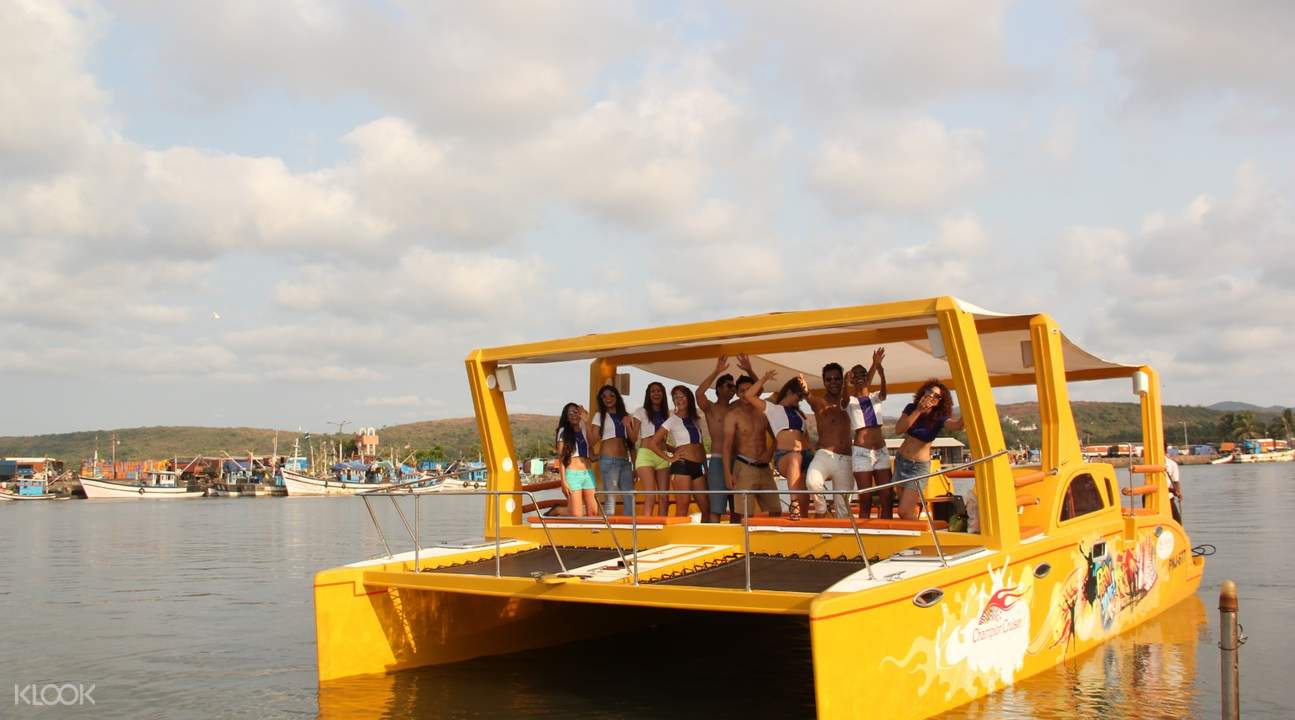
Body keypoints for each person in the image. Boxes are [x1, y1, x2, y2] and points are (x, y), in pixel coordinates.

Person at [744, 369, 814, 519]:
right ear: (789, 392)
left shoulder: (800, 414)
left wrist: (815, 455)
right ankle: (793, 504)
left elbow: (806, 439)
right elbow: (749, 395)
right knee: (795, 459)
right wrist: (764, 378)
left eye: (802, 396)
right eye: (798, 396)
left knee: (805, 495)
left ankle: (804, 522)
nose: (800, 400)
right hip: (785, 456)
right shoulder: (773, 409)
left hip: (804, 454)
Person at [892, 380, 964, 520]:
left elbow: (957, 426)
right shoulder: (911, 408)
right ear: (923, 392)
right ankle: (914, 535)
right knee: (906, 511)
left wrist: (968, 407)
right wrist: (918, 410)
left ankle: (922, 533)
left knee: (903, 511)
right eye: (929, 392)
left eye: (936, 396)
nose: (932, 397)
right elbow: (898, 429)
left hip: (918, 467)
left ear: (940, 402)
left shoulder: (939, 418)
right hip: (901, 462)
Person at [722, 373, 780, 520]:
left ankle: (771, 542)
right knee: (745, 514)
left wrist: (769, 453)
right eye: (742, 390)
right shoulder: (733, 415)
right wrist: (727, 474)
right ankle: (746, 542)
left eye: (749, 389)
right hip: (744, 466)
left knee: (775, 510)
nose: (746, 394)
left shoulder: (763, 412)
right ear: (737, 393)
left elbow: (778, 437)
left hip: (764, 467)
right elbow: (727, 446)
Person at [645, 386, 708, 518]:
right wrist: (670, 459)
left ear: (689, 398)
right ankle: (677, 537)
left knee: (706, 506)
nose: (678, 399)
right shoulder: (672, 420)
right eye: (675, 397)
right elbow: (652, 443)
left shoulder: (695, 419)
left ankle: (702, 537)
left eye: (681, 396)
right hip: (682, 466)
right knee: (682, 506)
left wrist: (705, 468)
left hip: (698, 467)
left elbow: (700, 445)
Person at [804, 362, 854, 518]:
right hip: (824, 455)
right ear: (824, 381)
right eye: (829, 379)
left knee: (843, 510)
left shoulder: (851, 402)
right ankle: (821, 510)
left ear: (842, 380)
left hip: (845, 458)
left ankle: (843, 541)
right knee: (812, 482)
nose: (833, 382)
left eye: (837, 379)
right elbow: (806, 394)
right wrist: (804, 387)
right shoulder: (819, 402)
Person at [848, 348, 891, 518]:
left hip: (881, 451)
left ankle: (888, 533)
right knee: (865, 497)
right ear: (851, 379)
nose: (860, 376)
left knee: (887, 496)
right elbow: (847, 396)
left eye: (862, 373)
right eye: (855, 374)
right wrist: (847, 381)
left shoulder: (875, 397)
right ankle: (864, 536)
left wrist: (879, 369)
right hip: (862, 453)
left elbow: (884, 393)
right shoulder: (849, 401)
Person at [696, 355, 739, 522]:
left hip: (736, 460)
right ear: (719, 388)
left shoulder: (736, 407)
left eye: (734, 387)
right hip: (717, 460)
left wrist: (749, 369)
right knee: (716, 506)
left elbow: (757, 392)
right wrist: (716, 371)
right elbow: (699, 393)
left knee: (737, 507)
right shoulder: (711, 408)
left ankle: (739, 543)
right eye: (729, 386)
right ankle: (715, 539)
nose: (732, 390)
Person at [593, 384, 636, 516]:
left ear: (617, 397)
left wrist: (635, 466)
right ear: (601, 399)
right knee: (610, 499)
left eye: (611, 395)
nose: (608, 398)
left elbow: (633, 441)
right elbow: (592, 439)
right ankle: (609, 533)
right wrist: (593, 454)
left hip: (625, 461)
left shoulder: (626, 416)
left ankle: (629, 530)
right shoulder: (599, 415)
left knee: (629, 497)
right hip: (608, 461)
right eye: (604, 396)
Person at [631, 382, 672, 516]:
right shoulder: (640, 411)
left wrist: (676, 450)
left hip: (662, 455)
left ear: (663, 394)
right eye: (653, 391)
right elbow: (633, 437)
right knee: (650, 496)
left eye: (659, 391)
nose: (656, 394)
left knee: (664, 497)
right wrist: (627, 426)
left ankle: (662, 528)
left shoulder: (667, 413)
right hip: (645, 455)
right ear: (648, 395)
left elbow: (664, 441)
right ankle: (646, 528)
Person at [555, 402, 597, 516]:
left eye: (576, 412)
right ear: (566, 416)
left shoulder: (584, 428)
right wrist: (563, 481)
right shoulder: (563, 431)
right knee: (577, 515)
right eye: (570, 413)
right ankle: (558, 510)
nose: (574, 414)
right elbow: (561, 458)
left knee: (593, 512)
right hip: (573, 474)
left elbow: (592, 452)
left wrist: (587, 422)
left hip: (588, 474)